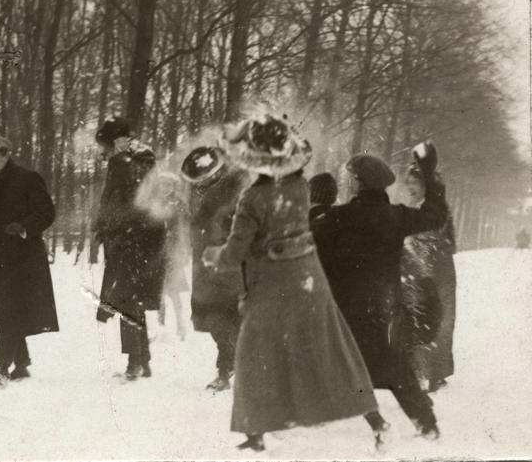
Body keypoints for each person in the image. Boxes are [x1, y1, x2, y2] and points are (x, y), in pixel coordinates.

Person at [203, 114, 380, 452]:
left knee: (253, 354)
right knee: (334, 350)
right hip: (309, 279)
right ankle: (375, 419)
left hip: (270, 286)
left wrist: (213, 254)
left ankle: (255, 432)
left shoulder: (253, 198)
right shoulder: (300, 185)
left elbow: (235, 252)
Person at [311, 144, 447, 439]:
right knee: (394, 367)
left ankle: (377, 423)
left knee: (348, 364)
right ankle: (426, 424)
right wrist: (429, 174)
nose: (348, 182)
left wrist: (316, 207)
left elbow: (311, 242)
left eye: (351, 178)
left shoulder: (338, 218)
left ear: (359, 182)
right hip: (385, 308)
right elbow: (436, 216)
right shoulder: (395, 216)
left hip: (346, 310)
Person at [0, 136, 58, 386]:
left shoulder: (27, 179)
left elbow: (47, 213)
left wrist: (24, 227)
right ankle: (21, 364)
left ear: (7, 155)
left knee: (8, 311)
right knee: (8, 310)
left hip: (25, 259)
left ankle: (2, 366)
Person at [93, 117, 166, 381]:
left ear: (116, 141)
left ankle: (134, 363)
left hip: (133, 240)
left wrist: (109, 228)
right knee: (131, 298)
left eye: (105, 145)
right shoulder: (136, 158)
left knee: (125, 299)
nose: (102, 152)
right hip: (137, 238)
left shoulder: (127, 160)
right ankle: (142, 360)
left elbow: (126, 200)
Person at [181, 146, 249, 391]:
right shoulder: (216, 191)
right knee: (218, 320)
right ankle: (228, 366)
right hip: (211, 269)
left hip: (229, 268)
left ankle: (230, 368)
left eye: (202, 180)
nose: (199, 186)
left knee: (231, 319)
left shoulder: (239, 190)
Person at [402, 163, 456, 392]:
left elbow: (434, 242)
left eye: (415, 183)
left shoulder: (430, 209)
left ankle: (428, 374)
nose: (410, 188)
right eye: (409, 183)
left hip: (432, 270)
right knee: (438, 317)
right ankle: (435, 372)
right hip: (437, 269)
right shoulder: (432, 206)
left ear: (426, 185)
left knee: (431, 317)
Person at [154, 172, 190, 340]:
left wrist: (183, 251)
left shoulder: (180, 204)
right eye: (162, 185)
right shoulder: (155, 203)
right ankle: (160, 326)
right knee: (158, 292)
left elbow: (184, 229)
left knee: (174, 292)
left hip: (173, 253)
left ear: (174, 187)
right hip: (157, 254)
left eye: (168, 185)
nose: (165, 188)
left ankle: (180, 325)